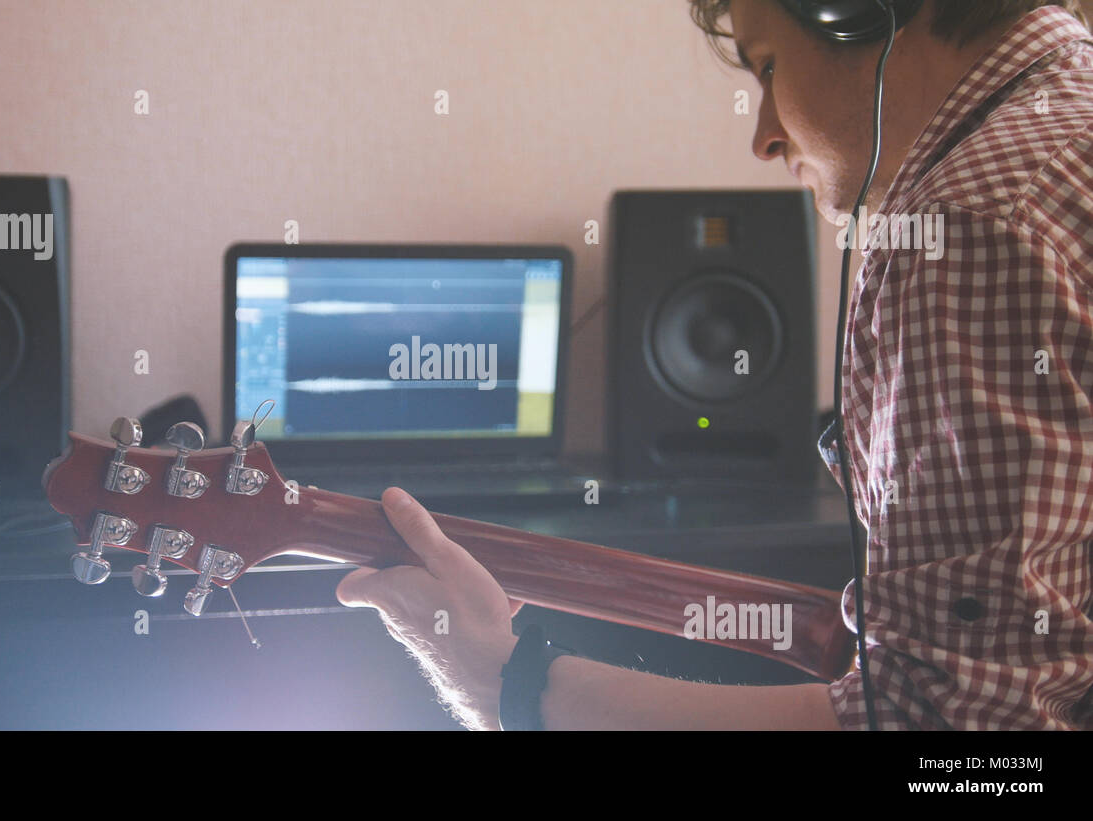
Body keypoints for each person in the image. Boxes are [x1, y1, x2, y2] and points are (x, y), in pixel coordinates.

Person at [335, 0, 1093, 730]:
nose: (763, 136)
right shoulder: (1064, 137)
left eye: (766, 67)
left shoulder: (971, 225)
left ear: (856, 7)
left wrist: (503, 683)